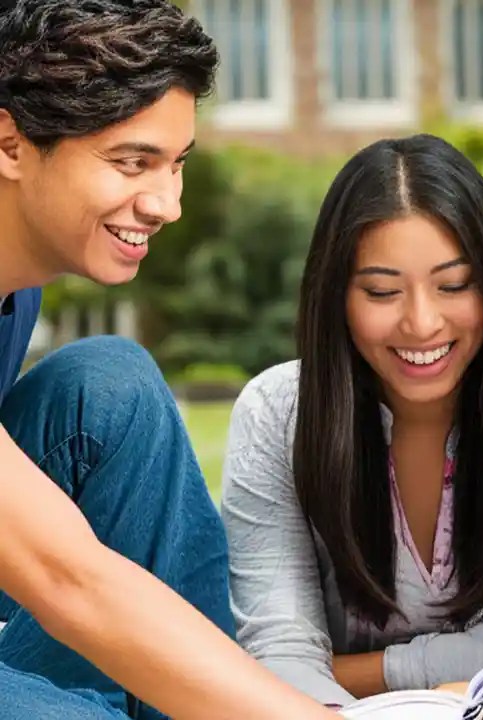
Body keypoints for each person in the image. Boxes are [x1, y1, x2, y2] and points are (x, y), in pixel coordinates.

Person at [0, 0, 336, 717]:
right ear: (10, 143)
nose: (167, 203)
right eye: (132, 163)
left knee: (110, 386)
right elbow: (66, 578)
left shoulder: (18, 288)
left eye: (175, 164)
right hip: (46, 572)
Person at [220, 134, 483, 707]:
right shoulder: (276, 414)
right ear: (336, 296)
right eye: (382, 291)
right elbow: (281, 648)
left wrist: (357, 671)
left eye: (453, 286)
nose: (422, 323)